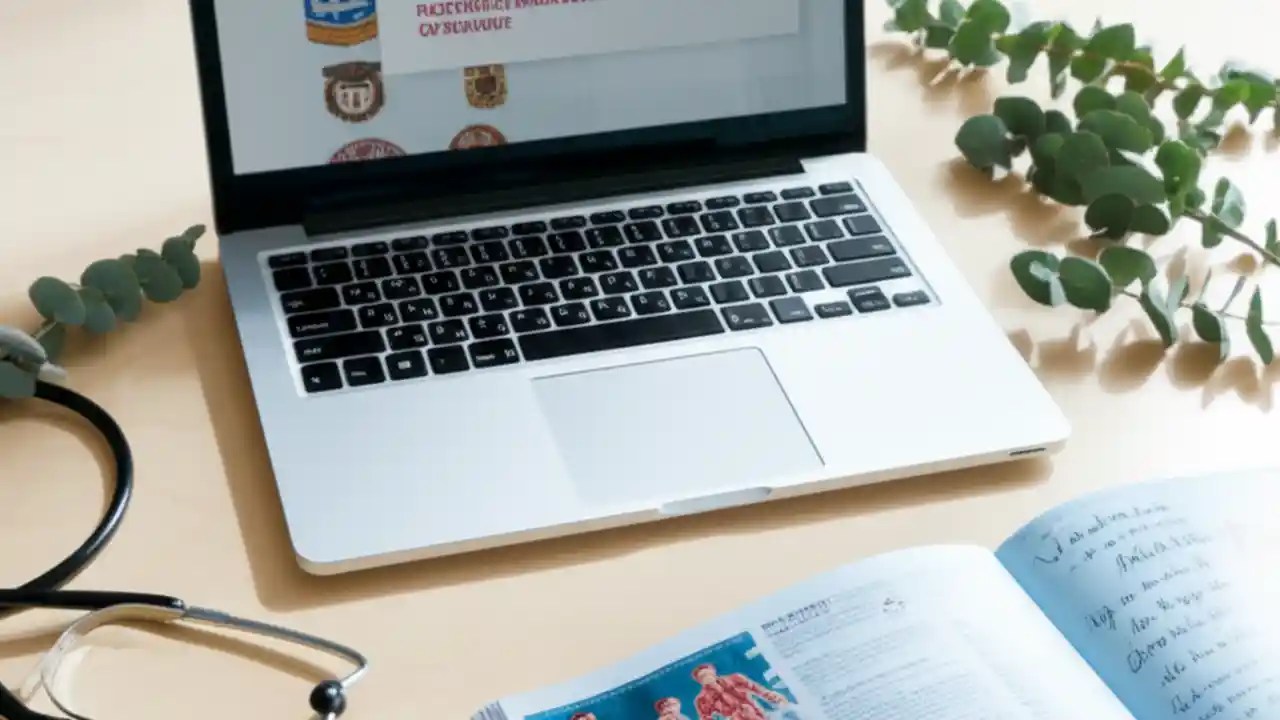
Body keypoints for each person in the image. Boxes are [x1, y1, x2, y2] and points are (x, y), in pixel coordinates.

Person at [690, 663, 788, 720]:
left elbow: (759, 690)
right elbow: (706, 718)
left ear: (714, 672)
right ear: (699, 681)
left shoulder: (736, 679)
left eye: (708, 674)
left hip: (757, 714)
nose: (708, 678)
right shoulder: (701, 699)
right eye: (703, 677)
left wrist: (774, 697)